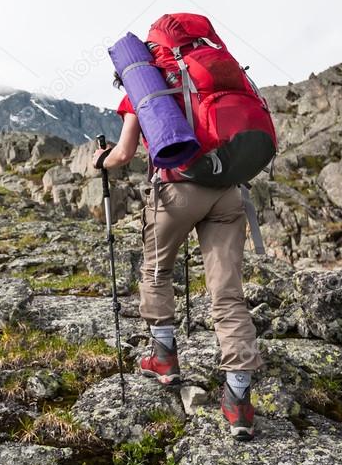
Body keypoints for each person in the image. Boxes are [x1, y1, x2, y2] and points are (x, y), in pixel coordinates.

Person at [93, 99, 262, 441]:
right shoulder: (209, 80)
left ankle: (165, 360)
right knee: (228, 293)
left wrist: (101, 159)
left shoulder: (143, 86)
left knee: (157, 271)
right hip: (227, 190)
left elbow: (123, 154)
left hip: (176, 189)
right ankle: (239, 401)